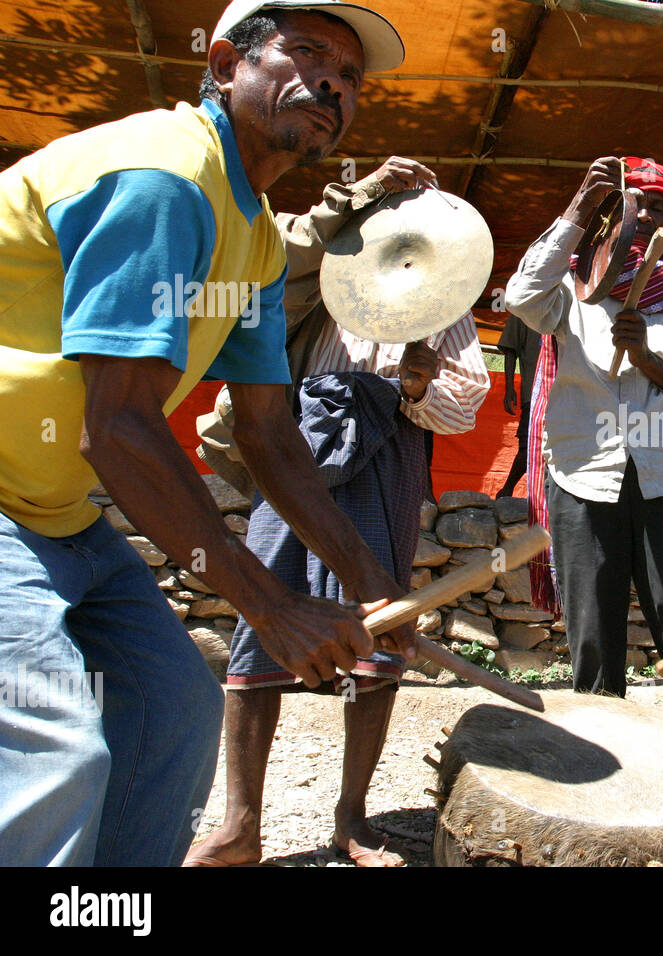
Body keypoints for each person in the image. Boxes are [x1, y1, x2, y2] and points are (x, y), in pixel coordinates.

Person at [0, 0, 414, 866]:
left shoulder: (256, 236)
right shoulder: (165, 176)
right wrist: (272, 604)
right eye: (306, 55)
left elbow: (268, 430)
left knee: (172, 706)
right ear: (226, 64)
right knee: (57, 751)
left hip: (52, 511)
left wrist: (367, 578)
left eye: (350, 78)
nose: (332, 84)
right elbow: (115, 429)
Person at [184, 158, 490, 867]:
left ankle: (352, 818)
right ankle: (240, 825)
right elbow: (268, 294)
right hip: (295, 453)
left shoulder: (449, 299)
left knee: (379, 634)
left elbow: (467, 397)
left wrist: (415, 380)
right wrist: (357, 193)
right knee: (263, 617)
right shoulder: (328, 273)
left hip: (388, 452)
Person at [504, 156, 663, 717]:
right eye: (633, 206)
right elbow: (518, 297)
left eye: (660, 208)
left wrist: (652, 363)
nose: (648, 219)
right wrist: (581, 207)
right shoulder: (571, 288)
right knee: (592, 626)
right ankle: (601, 753)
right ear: (612, 221)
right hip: (582, 475)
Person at [496, 313, 541, 498]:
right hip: (534, 392)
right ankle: (506, 490)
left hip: (564, 394)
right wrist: (509, 388)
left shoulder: (568, 302)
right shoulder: (524, 307)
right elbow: (510, 349)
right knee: (528, 445)